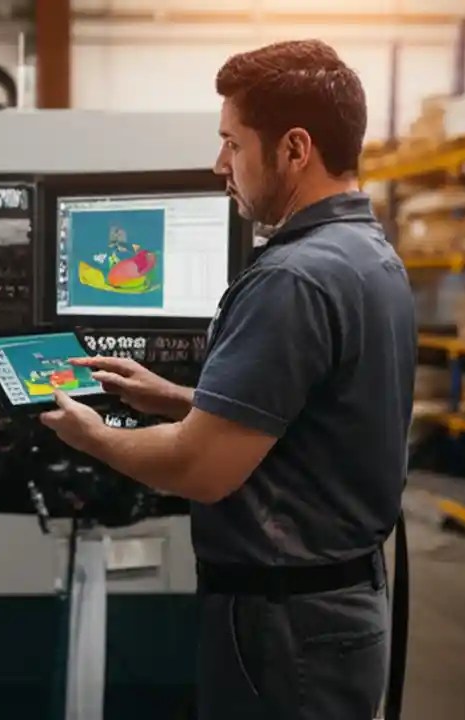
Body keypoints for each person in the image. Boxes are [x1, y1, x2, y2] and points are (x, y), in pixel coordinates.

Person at [39, 39, 417, 719]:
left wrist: (91, 434)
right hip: (338, 609)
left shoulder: (291, 279)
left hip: (284, 627)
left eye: (232, 144)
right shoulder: (369, 257)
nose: (221, 165)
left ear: (294, 149)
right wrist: (182, 397)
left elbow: (199, 468)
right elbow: (314, 419)